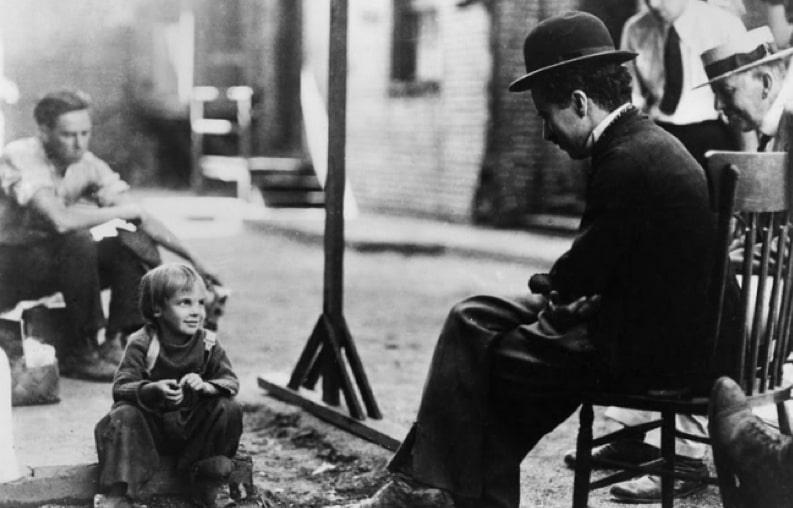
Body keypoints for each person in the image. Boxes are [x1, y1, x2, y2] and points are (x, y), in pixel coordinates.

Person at [329, 11, 722, 508]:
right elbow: (594, 267)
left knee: (488, 361)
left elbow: (582, 275)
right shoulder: (642, 142)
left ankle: (428, 487)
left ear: (579, 103)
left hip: (651, 352)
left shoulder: (627, 162)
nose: (546, 135)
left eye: (545, 116)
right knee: (471, 318)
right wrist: (559, 291)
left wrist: (559, 292)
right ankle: (427, 487)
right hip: (643, 321)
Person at [0, 89, 220, 381]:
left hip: (55, 263)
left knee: (130, 239)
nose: (79, 143)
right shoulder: (20, 155)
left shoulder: (88, 163)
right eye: (68, 134)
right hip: (10, 269)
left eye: (85, 133)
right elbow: (61, 220)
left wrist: (196, 264)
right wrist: (123, 213)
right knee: (79, 238)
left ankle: (118, 340)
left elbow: (140, 216)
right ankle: (82, 350)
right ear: (43, 131)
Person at [93, 263, 242, 508]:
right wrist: (151, 389)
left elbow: (230, 382)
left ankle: (209, 482)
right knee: (123, 414)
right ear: (157, 309)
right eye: (185, 303)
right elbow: (121, 386)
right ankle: (119, 493)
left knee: (229, 408)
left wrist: (208, 387)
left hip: (195, 434)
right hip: (152, 432)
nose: (197, 312)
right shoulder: (142, 342)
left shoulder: (208, 343)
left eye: (201, 303)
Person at [621, 0, 748, 166]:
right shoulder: (635, 29)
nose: (654, 4)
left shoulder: (723, 24)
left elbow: (745, 99)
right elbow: (632, 96)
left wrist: (748, 159)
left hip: (709, 134)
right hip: (658, 133)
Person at [698, 25, 793, 151]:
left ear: (765, 84)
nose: (718, 105)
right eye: (715, 93)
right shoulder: (771, 129)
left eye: (727, 91)